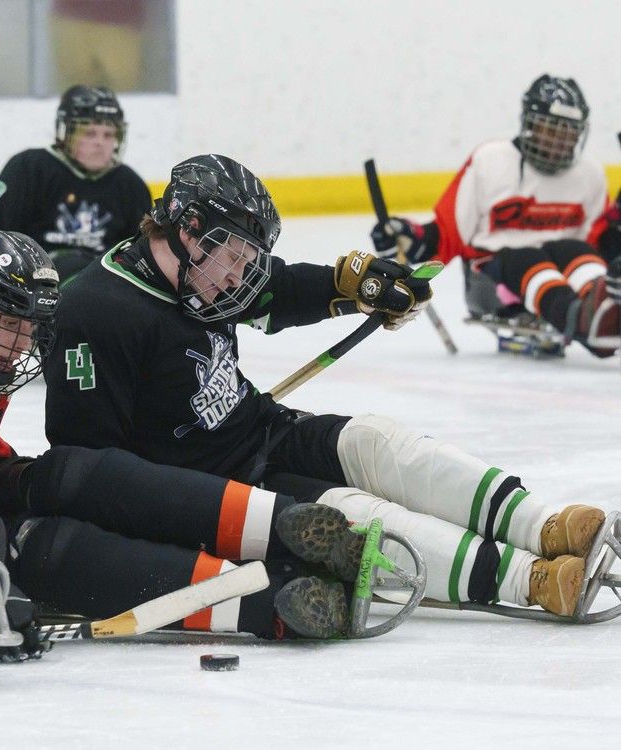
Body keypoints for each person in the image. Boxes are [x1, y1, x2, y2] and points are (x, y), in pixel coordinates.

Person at [43, 153, 614, 633]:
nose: (242, 275)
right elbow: (92, 469)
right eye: (235, 258)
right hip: (222, 492)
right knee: (357, 516)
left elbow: (278, 290)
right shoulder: (96, 313)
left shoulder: (204, 272)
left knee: (379, 442)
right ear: (188, 229)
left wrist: (356, 287)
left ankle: (545, 524)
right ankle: (532, 581)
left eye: (248, 259)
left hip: (264, 429)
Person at [0, 226, 398, 642]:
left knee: (83, 470)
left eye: (29, 327)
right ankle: (269, 602)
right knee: (52, 547)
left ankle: (280, 532)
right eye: (9, 324)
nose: (20, 344)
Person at [369, 74, 620, 357]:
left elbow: (600, 241)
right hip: (491, 280)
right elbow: (447, 234)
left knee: (575, 248)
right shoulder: (490, 161)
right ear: (529, 125)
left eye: (568, 133)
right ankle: (582, 318)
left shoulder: (589, 173)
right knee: (525, 256)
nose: (558, 142)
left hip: (562, 267)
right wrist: (407, 236)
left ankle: (608, 309)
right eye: (551, 130)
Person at [0, 84, 152, 284]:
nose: (100, 142)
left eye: (108, 135)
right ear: (66, 134)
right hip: (29, 284)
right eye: (89, 133)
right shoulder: (28, 168)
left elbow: (144, 254)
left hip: (100, 287)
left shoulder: (130, 185)